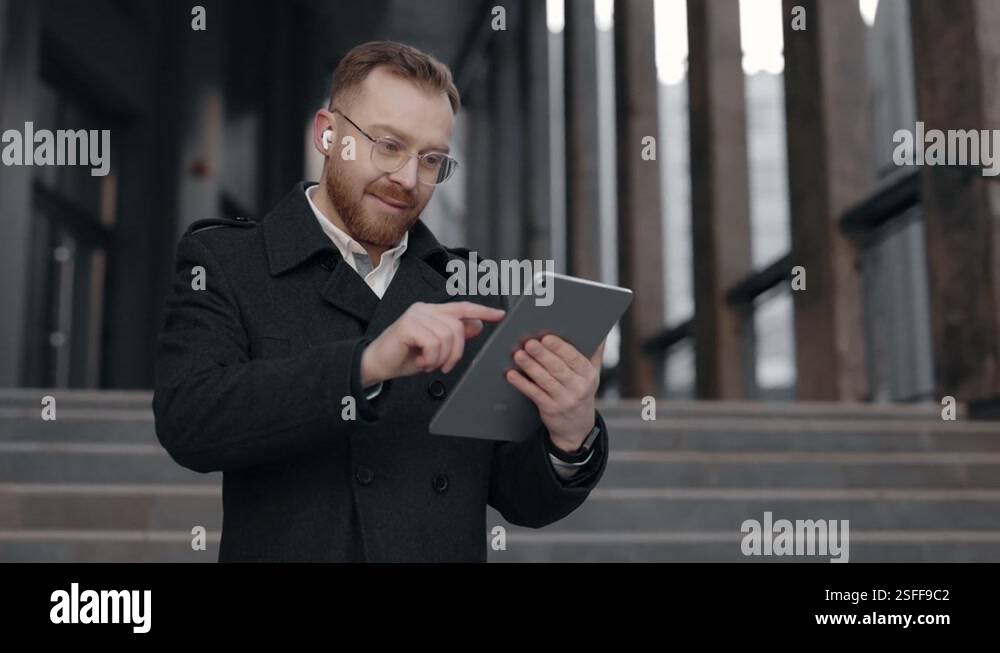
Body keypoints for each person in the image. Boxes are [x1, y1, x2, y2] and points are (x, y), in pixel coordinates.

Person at [153, 40, 610, 562]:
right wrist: (365, 364)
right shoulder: (229, 261)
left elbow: (516, 495)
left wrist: (569, 436)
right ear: (328, 133)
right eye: (388, 145)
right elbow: (188, 421)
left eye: (432, 159)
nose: (408, 180)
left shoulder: (469, 284)